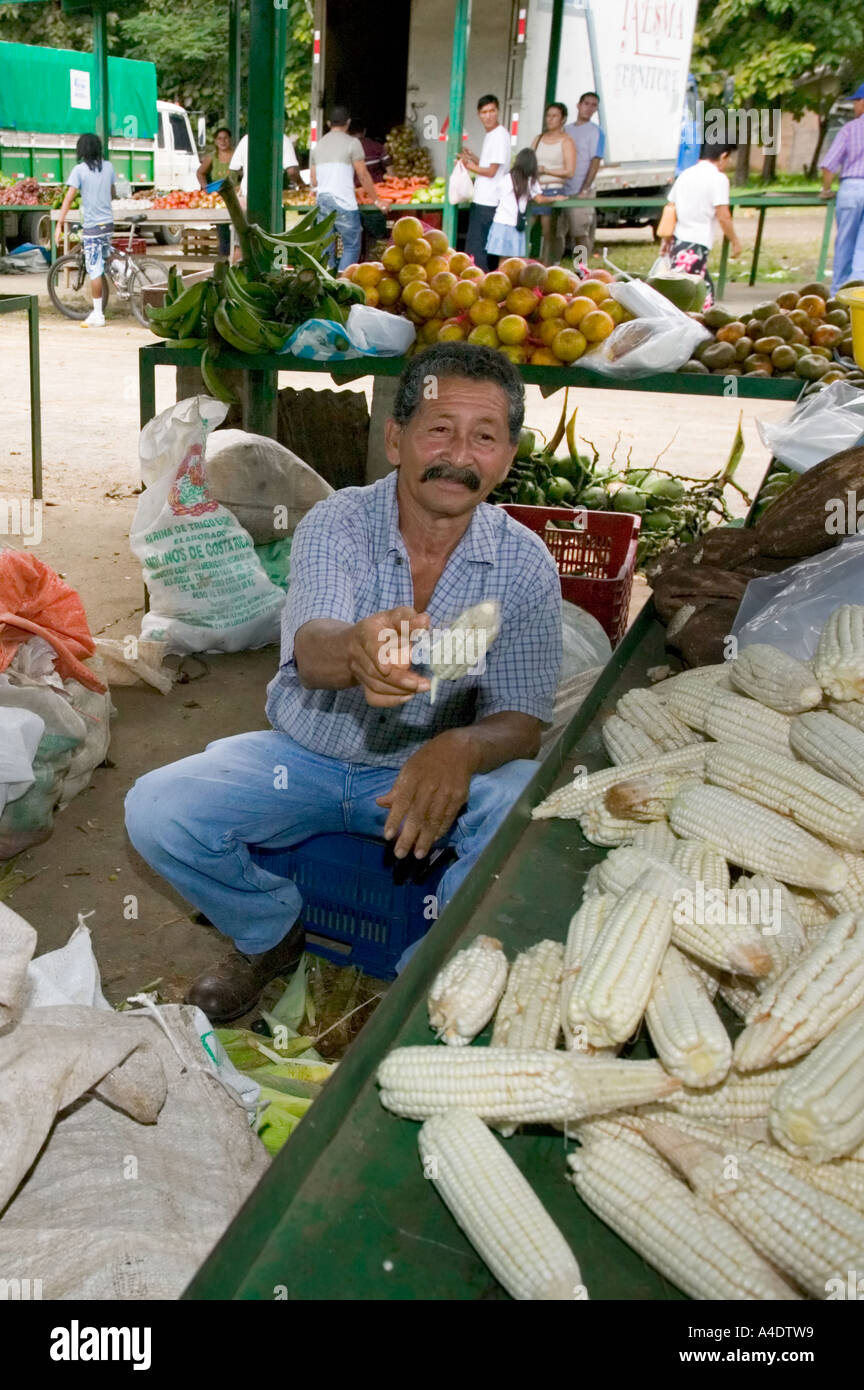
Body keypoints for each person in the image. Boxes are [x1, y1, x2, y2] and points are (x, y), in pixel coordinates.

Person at [125, 343, 563, 1022]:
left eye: (485, 437)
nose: (459, 455)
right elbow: (311, 647)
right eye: (439, 430)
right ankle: (269, 932)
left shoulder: (526, 564)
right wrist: (357, 653)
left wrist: (462, 750)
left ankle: (433, 976)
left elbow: (525, 716)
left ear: (508, 457)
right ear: (396, 438)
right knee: (158, 810)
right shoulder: (339, 521)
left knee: (525, 818)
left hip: (428, 773)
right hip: (305, 760)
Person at [658, 139, 741, 309]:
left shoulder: (686, 174)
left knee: (695, 290)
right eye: (729, 158)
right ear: (723, 156)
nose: (729, 163)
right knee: (693, 299)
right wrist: (735, 241)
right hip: (696, 244)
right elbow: (723, 216)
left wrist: (665, 239)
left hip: (678, 242)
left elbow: (671, 209)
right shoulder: (718, 179)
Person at [311, 105, 387, 271]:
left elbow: (314, 181)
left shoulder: (318, 147)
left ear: (329, 123)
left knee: (326, 246)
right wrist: (377, 200)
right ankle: (343, 282)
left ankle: (327, 281)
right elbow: (363, 175)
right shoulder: (353, 143)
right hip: (344, 202)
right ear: (348, 122)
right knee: (351, 246)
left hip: (323, 201)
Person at [55, 133, 117, 328]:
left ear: (81, 150)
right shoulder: (108, 167)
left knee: (95, 270)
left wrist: (59, 224)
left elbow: (68, 198)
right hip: (108, 224)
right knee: (105, 260)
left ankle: (98, 314)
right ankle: (124, 272)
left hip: (92, 227)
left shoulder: (79, 170)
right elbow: (113, 192)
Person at [821, 82, 864, 294]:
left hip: (850, 189)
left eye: (856, 101)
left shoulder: (849, 129)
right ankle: (859, 294)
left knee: (845, 241)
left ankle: (838, 293)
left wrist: (826, 189)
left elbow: (829, 165)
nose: (855, 106)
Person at [460, 94, 512, 270]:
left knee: (477, 251)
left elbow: (491, 171)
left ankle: (478, 285)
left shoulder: (498, 135)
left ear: (498, 111)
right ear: (479, 114)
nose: (488, 115)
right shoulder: (492, 135)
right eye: (484, 112)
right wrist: (474, 158)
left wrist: (467, 165)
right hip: (485, 199)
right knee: (483, 249)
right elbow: (490, 165)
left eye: (492, 111)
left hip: (488, 202)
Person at [487, 148, 555, 261]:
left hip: (501, 222)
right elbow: (540, 199)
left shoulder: (507, 178)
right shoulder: (530, 181)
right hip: (515, 225)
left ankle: (501, 277)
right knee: (515, 261)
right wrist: (556, 197)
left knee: (503, 260)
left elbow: (498, 194)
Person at [531, 103, 576, 264]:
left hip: (554, 188)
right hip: (535, 188)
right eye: (548, 115)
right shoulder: (538, 139)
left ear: (562, 119)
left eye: (554, 116)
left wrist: (547, 171)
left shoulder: (566, 141)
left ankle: (550, 264)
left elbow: (570, 171)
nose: (550, 119)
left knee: (549, 231)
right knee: (527, 225)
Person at [562, 92, 604, 263]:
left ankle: (581, 268)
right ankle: (552, 265)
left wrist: (585, 187)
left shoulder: (596, 132)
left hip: (581, 190)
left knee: (580, 233)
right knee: (557, 232)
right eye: (586, 103)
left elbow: (595, 161)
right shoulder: (567, 130)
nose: (589, 108)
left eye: (594, 105)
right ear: (579, 105)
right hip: (562, 188)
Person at [228, 130, 301, 199]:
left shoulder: (246, 139)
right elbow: (292, 171)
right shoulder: (283, 139)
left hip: (249, 193)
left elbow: (235, 167)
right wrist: (300, 183)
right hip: (274, 195)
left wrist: (249, 174)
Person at [197, 125, 234, 257]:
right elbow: (200, 173)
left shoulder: (236, 155)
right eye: (219, 138)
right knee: (223, 233)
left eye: (225, 138)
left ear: (230, 139)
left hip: (235, 198)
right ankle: (224, 261)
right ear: (215, 141)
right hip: (218, 200)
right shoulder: (211, 157)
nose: (223, 141)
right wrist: (206, 188)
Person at [348, 120, 390, 185]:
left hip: (354, 191)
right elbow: (391, 172)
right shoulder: (377, 146)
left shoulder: (342, 150)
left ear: (347, 132)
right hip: (378, 189)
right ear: (364, 131)